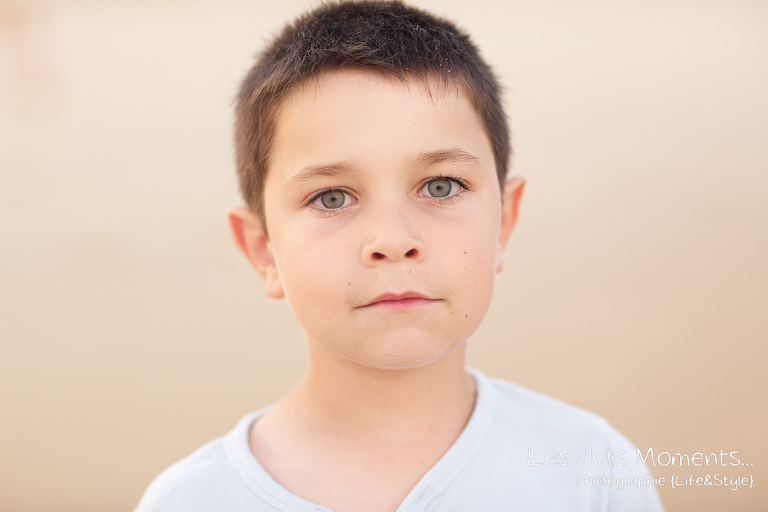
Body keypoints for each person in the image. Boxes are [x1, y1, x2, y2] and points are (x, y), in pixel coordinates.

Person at [135, 1, 664, 510]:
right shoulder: (192, 500)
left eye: (439, 186)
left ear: (503, 221)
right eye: (332, 197)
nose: (392, 239)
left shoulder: (591, 470)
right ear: (263, 249)